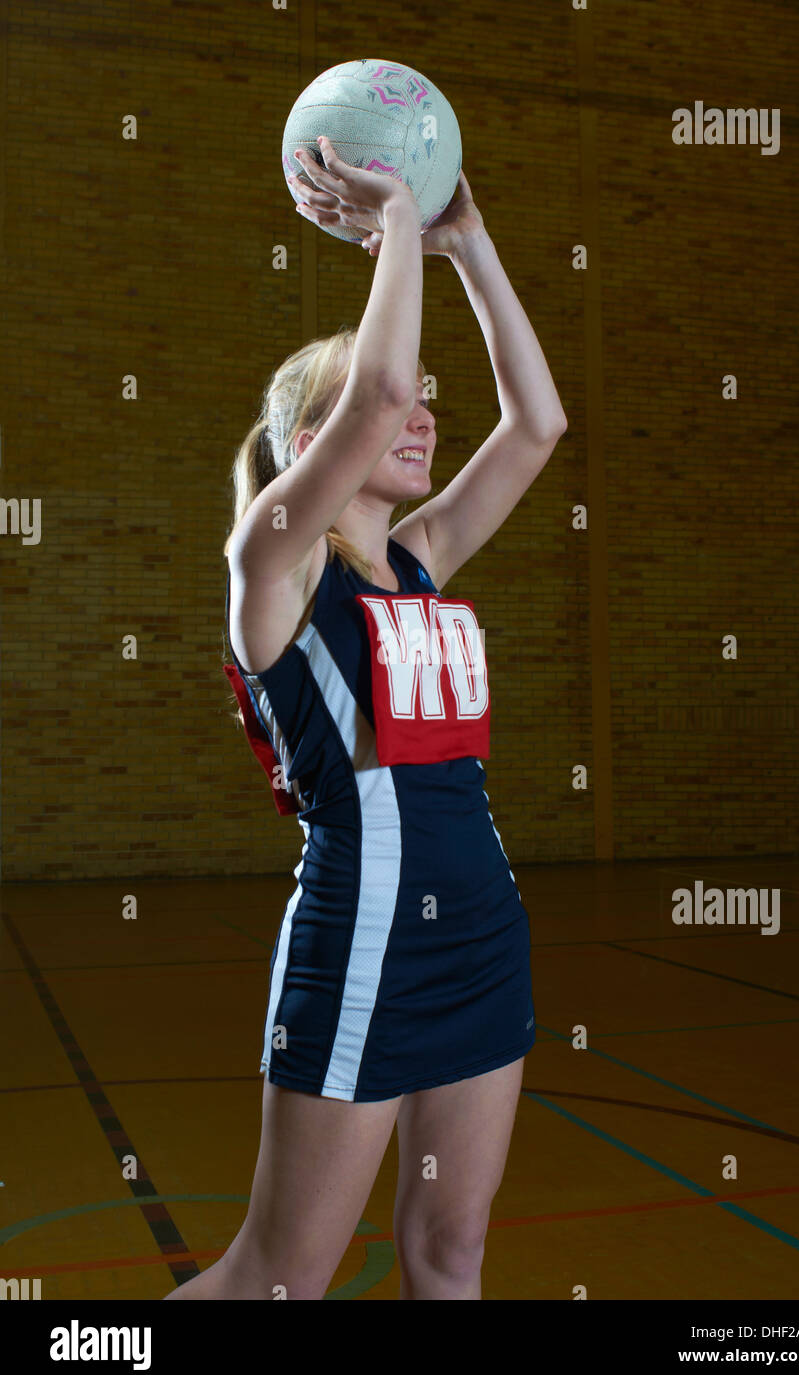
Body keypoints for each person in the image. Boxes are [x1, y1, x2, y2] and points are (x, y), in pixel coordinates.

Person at [165, 135, 566, 1301]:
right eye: (368, 407)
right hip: (360, 948)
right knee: (275, 1279)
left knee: (450, 1252)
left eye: (418, 401)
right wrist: (394, 222)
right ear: (308, 450)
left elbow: (535, 426)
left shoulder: (424, 557)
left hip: (482, 935)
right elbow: (386, 385)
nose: (415, 411)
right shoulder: (274, 569)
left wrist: (468, 246)